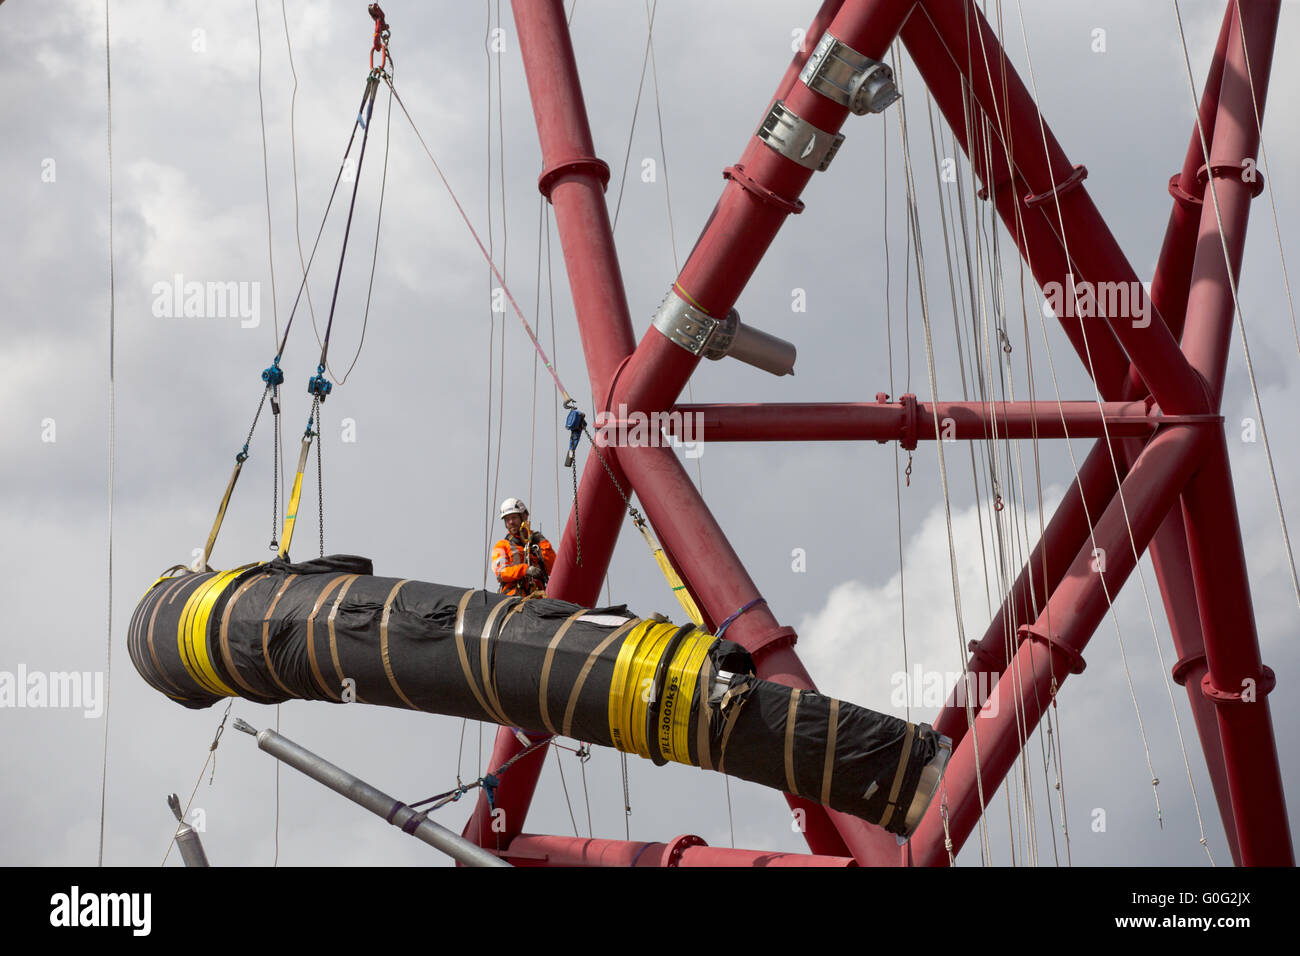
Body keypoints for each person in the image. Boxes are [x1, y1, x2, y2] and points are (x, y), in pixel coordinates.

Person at [491, 498, 557, 597]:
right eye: (507, 519)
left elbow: (553, 568)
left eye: (514, 517)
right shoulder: (502, 545)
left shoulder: (537, 544)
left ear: (524, 516)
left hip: (539, 598)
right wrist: (525, 570)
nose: (511, 522)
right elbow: (501, 573)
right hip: (514, 600)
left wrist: (542, 542)